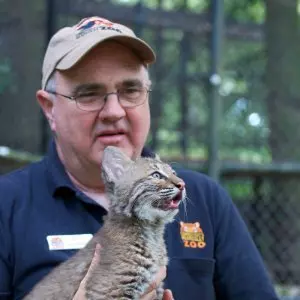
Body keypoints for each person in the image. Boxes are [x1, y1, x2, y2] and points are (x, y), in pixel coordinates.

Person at [0, 16, 279, 300]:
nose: (114, 111)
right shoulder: (6, 206)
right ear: (49, 109)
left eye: (130, 90)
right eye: (89, 94)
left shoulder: (205, 199)